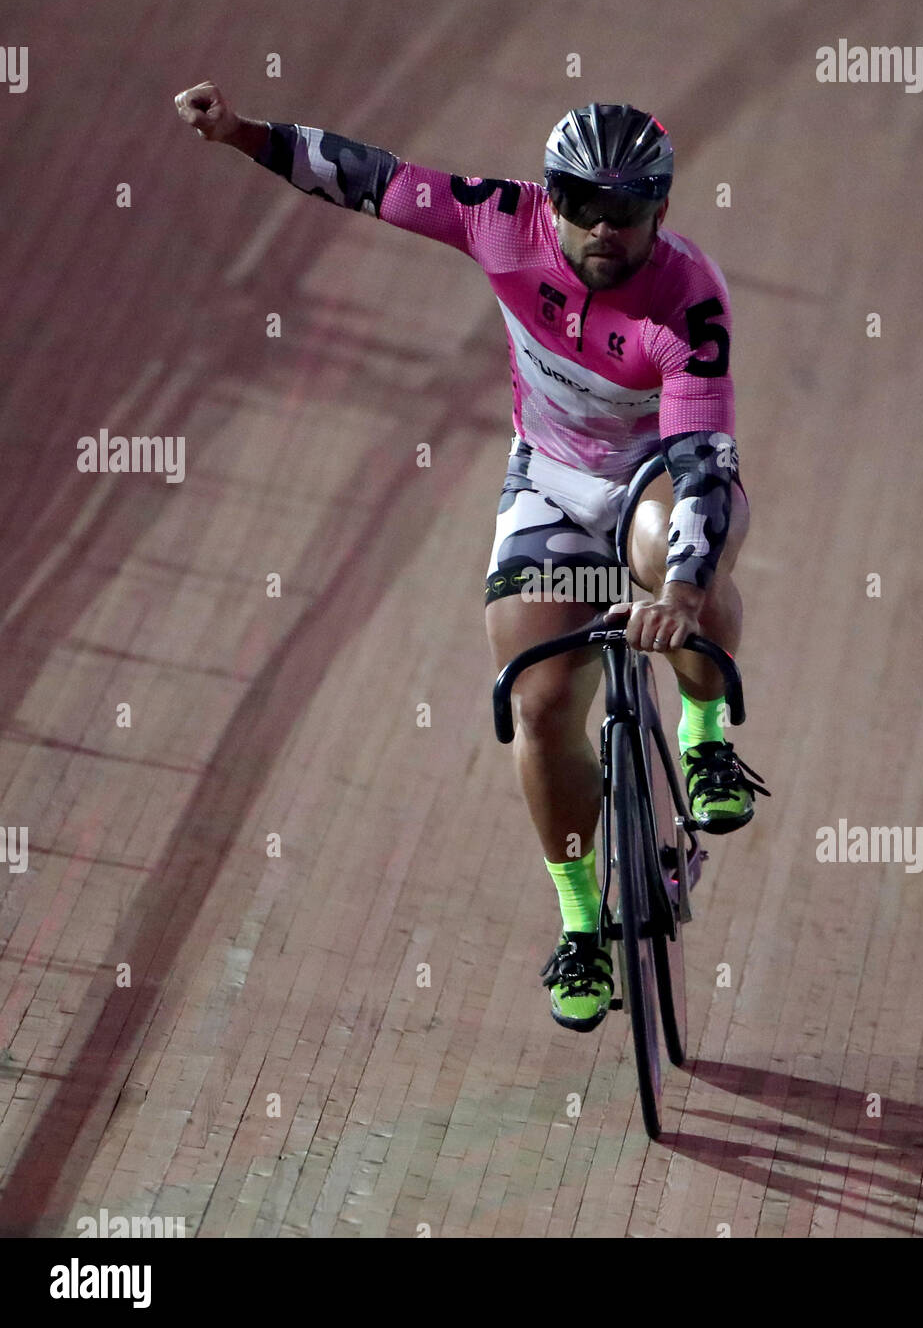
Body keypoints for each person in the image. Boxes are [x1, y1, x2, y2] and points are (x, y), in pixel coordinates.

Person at [173, 84, 769, 1033]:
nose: (600, 228)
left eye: (624, 211)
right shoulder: (501, 221)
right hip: (552, 484)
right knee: (537, 701)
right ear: (551, 196)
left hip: (660, 477)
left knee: (678, 562)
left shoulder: (688, 302)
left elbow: (702, 462)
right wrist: (244, 133)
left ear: (661, 209)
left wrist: (685, 594)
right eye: (579, 203)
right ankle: (582, 924)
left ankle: (703, 740)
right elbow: (370, 179)